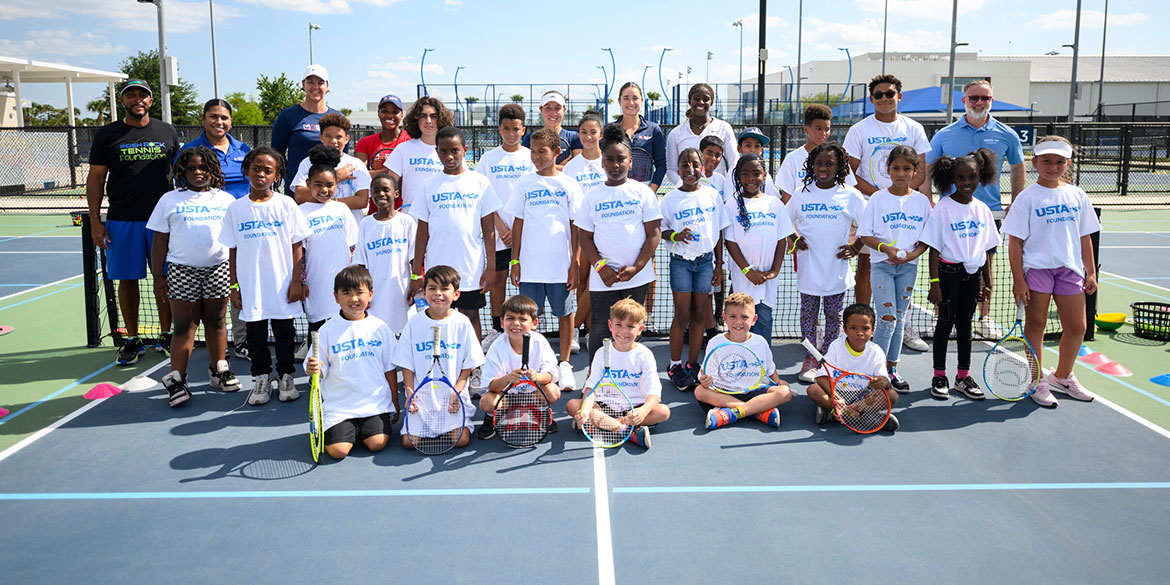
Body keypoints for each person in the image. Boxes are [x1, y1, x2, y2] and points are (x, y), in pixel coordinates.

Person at [1002, 136, 1101, 407]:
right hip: (1037, 270)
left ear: (1068, 164)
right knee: (1036, 325)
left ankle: (1063, 376)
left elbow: (1085, 237)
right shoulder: (1027, 198)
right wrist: (1018, 281)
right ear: (1035, 163)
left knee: (1078, 327)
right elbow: (1015, 242)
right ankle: (1037, 381)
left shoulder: (1077, 195)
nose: (1053, 166)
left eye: (1059, 162)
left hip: (1069, 270)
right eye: (1046, 160)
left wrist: (1090, 272)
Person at [86, 79, 180, 365]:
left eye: (143, 95)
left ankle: (166, 334)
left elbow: (180, 173)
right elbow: (96, 178)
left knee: (164, 278)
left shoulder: (167, 131)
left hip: (162, 222)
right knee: (127, 281)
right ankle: (132, 338)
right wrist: (95, 221)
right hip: (122, 219)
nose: (137, 99)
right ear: (123, 101)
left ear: (151, 101)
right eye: (131, 95)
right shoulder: (107, 135)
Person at [927, 80, 1027, 340]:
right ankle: (940, 318)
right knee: (944, 267)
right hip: (949, 214)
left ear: (992, 101)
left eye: (985, 98)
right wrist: (928, 198)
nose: (979, 103)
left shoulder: (1007, 134)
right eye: (974, 98)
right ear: (964, 101)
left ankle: (984, 318)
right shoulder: (944, 135)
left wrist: (1016, 200)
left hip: (988, 214)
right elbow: (927, 168)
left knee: (986, 268)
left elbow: (1018, 166)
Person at [146, 147, 240, 407]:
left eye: (204, 168)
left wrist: (235, 277)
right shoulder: (169, 200)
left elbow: (234, 243)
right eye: (192, 168)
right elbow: (159, 242)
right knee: (184, 324)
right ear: (182, 172)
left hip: (218, 268)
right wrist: (158, 277)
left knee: (216, 320)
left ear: (214, 170)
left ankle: (219, 370)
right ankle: (178, 379)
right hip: (181, 270)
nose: (198, 173)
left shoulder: (226, 200)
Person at [218, 146, 311, 406]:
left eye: (267, 170)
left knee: (284, 334)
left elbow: (297, 246)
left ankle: (285, 376)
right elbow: (232, 251)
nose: (260, 174)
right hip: (251, 287)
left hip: (283, 286)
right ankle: (260, 378)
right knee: (255, 335)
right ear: (246, 170)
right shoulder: (236, 209)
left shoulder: (286, 205)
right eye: (255, 168)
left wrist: (296, 281)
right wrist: (234, 287)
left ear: (276, 175)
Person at [843, 74, 931, 310]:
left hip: (905, 206)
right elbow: (848, 173)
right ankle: (862, 319)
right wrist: (881, 196)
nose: (884, 98)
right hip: (868, 204)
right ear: (872, 99)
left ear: (899, 96)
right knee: (866, 264)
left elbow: (921, 171)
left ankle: (904, 323)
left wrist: (899, 194)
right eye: (878, 95)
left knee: (903, 264)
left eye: (889, 94)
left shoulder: (914, 128)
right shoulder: (859, 130)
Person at [575, 123, 663, 358]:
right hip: (603, 279)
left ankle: (630, 376)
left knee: (631, 331)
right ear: (602, 162)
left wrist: (637, 267)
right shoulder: (592, 195)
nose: (615, 165)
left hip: (637, 277)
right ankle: (599, 378)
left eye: (620, 159)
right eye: (610, 159)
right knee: (601, 331)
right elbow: (584, 237)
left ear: (630, 161)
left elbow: (654, 233)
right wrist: (601, 267)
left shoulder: (643, 193)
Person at [920, 149, 1001, 401]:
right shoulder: (943, 208)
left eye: (972, 177)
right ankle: (939, 376)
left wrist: (988, 279)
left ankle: (963, 377)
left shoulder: (983, 209)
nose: (967, 183)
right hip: (948, 275)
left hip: (972, 276)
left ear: (981, 177)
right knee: (945, 325)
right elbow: (933, 248)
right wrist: (935, 283)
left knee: (965, 327)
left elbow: (988, 248)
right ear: (952, 179)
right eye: (961, 178)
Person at [506, 128, 583, 391]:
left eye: (543, 151)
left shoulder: (568, 184)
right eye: (534, 151)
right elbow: (518, 223)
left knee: (564, 314)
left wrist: (575, 263)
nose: (537, 157)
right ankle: (534, 364)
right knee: (529, 317)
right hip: (529, 267)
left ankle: (564, 364)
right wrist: (514, 261)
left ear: (556, 152)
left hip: (561, 267)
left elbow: (576, 226)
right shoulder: (524, 183)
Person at [409, 126, 500, 345]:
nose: (449, 156)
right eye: (443, 151)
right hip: (437, 267)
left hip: (470, 268)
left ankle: (475, 369)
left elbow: (488, 230)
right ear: (437, 152)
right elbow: (422, 232)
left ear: (465, 150)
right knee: (438, 319)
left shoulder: (480, 183)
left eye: (455, 151)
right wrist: (416, 273)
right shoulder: (428, 186)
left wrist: (491, 267)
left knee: (470, 318)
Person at [179, 98, 253, 360]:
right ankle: (210, 342)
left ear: (230, 121)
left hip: (243, 227)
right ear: (203, 119)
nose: (219, 122)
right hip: (206, 229)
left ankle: (242, 340)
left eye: (224, 117)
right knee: (213, 290)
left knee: (239, 280)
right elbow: (181, 187)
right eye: (213, 117)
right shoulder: (189, 150)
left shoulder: (243, 149)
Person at [788, 142, 867, 384]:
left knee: (835, 317)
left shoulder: (851, 195)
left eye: (829, 163)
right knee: (808, 318)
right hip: (809, 271)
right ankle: (811, 359)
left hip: (836, 272)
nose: (823, 168)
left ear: (840, 167)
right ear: (811, 165)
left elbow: (868, 225)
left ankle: (830, 361)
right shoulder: (801, 194)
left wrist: (855, 248)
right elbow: (784, 222)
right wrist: (795, 239)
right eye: (819, 163)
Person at [304, 265, 400, 460]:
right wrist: (313, 368)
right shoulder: (326, 330)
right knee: (338, 452)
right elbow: (317, 369)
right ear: (336, 297)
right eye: (346, 293)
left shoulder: (380, 328)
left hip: (374, 403)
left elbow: (390, 369)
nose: (353, 299)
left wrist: (394, 402)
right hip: (340, 406)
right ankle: (342, 427)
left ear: (370, 295)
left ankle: (364, 427)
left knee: (377, 443)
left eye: (359, 293)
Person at [857, 145, 930, 394]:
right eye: (896, 168)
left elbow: (926, 240)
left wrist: (912, 255)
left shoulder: (921, 202)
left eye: (907, 169)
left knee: (899, 320)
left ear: (915, 171)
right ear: (887, 170)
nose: (901, 173)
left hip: (909, 268)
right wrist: (886, 250)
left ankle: (891, 369)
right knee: (887, 320)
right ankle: (874, 373)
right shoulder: (878, 199)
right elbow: (865, 235)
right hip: (882, 267)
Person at [393, 265, 485, 451]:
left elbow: (467, 366)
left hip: (452, 395)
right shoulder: (414, 323)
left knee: (461, 440)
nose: (438, 294)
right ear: (424, 293)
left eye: (444, 289)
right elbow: (406, 364)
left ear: (456, 294)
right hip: (422, 398)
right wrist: (410, 392)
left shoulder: (462, 323)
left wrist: (457, 391)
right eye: (432, 288)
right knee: (409, 443)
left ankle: (451, 423)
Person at [660, 148, 728, 389]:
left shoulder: (712, 195)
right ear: (677, 170)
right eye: (684, 165)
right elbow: (662, 231)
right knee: (683, 314)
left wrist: (719, 264)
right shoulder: (669, 199)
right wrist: (676, 235)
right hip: (681, 262)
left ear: (703, 168)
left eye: (695, 165)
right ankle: (675, 365)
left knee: (700, 313)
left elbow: (719, 231)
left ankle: (692, 364)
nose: (690, 170)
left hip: (705, 262)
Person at [566, 299, 669, 449]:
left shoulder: (644, 354)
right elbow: (591, 388)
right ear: (610, 325)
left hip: (633, 409)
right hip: (603, 405)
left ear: (640, 329)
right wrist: (586, 411)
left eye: (630, 326)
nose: (623, 331)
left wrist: (643, 411)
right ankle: (625, 431)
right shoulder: (602, 352)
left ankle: (602, 424)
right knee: (573, 405)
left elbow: (654, 392)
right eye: (618, 325)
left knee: (663, 412)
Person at [476, 103, 535, 352]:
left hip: (527, 233)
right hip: (499, 234)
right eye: (506, 129)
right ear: (500, 129)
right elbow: (483, 195)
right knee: (498, 279)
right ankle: (498, 330)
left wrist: (519, 230)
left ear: (524, 130)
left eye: (516, 129)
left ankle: (530, 328)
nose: (511, 133)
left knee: (528, 280)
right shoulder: (488, 159)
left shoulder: (532, 157)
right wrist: (500, 226)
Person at [724, 155, 797, 350]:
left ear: (764, 176)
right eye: (745, 174)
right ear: (738, 177)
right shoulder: (731, 205)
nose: (750, 179)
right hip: (743, 278)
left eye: (756, 174)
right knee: (741, 322)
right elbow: (730, 242)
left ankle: (762, 368)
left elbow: (782, 239)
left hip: (767, 281)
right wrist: (747, 270)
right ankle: (741, 363)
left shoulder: (775, 204)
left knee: (763, 318)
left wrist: (774, 271)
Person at [695, 293, 793, 430]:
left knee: (785, 392)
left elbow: (770, 369)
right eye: (732, 316)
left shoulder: (760, 342)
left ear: (754, 319)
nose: (738, 322)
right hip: (725, 392)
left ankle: (730, 413)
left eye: (745, 317)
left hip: (754, 390)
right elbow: (705, 374)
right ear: (724, 318)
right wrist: (704, 381)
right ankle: (757, 411)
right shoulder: (715, 342)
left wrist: (778, 382)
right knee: (700, 391)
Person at [475, 295, 562, 440]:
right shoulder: (496, 347)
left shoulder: (541, 342)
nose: (516, 323)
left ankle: (541, 410)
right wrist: (508, 379)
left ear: (534, 323)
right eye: (510, 318)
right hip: (506, 396)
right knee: (487, 402)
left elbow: (551, 375)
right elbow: (491, 386)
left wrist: (538, 377)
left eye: (522, 319)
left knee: (553, 391)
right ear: (502, 322)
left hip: (533, 393)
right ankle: (492, 418)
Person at [297, 146, 360, 339]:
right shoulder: (301, 211)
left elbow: (353, 246)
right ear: (308, 184)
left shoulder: (341, 209)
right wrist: (302, 282)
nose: (324, 190)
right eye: (318, 185)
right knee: (316, 327)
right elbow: (300, 252)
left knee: (343, 322)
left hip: (342, 281)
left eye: (330, 185)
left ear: (336, 185)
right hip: (315, 282)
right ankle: (316, 365)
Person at [808, 304, 900, 432]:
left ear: (873, 329)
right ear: (845, 330)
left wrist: (882, 381)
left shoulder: (876, 351)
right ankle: (862, 417)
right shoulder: (836, 346)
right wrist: (835, 397)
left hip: (862, 398)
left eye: (865, 328)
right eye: (853, 328)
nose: (859, 333)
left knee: (893, 396)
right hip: (837, 394)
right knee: (813, 390)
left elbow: (885, 382)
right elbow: (821, 378)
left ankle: (838, 413)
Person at [563, 109, 607, 355]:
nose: (588, 137)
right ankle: (579, 332)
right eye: (583, 133)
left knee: (596, 283)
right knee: (581, 281)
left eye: (593, 132)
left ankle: (580, 327)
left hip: (606, 231)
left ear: (600, 134)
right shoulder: (572, 167)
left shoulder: (608, 160)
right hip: (581, 230)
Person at [352, 175, 416, 335]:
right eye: (376, 191)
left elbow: (415, 258)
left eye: (385, 190)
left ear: (396, 193)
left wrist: (415, 282)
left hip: (402, 292)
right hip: (376, 292)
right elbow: (361, 263)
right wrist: (363, 291)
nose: (381, 194)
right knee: (376, 333)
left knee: (404, 334)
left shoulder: (407, 222)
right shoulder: (366, 224)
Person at [271, 65, 343, 196]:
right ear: (303, 84)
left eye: (320, 83)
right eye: (310, 82)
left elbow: (342, 156)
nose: (315, 87)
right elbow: (276, 154)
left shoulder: (337, 118)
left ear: (327, 86)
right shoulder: (287, 116)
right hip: (298, 188)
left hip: (329, 187)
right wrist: (291, 174)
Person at [291, 112, 371, 224]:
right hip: (316, 227)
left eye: (339, 137)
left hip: (347, 230)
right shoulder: (308, 163)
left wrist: (330, 202)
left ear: (347, 139)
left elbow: (362, 201)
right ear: (321, 137)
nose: (333, 141)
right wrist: (336, 176)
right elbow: (299, 195)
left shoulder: (355, 164)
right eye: (328, 136)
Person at [776, 104, 855, 205]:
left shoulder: (838, 157)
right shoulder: (792, 159)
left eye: (827, 129)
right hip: (802, 219)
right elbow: (787, 198)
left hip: (832, 216)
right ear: (806, 129)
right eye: (818, 129)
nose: (824, 133)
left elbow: (850, 191)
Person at [386, 96, 453, 214]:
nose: (428, 121)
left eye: (433, 116)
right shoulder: (403, 149)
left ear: (441, 119)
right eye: (423, 116)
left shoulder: (451, 151)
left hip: (442, 217)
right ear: (416, 119)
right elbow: (389, 185)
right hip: (411, 218)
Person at [665, 83, 738, 187]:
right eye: (697, 98)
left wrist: (726, 187)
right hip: (688, 194)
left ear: (711, 102)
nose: (701, 102)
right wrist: (688, 185)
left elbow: (734, 163)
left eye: (706, 99)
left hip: (717, 192)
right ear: (689, 101)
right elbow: (671, 170)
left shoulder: (724, 128)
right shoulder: (676, 133)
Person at [354, 94, 411, 213]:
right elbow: (360, 176)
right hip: (375, 211)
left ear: (401, 115)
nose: (390, 115)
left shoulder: (410, 141)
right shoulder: (364, 142)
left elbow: (411, 177)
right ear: (378, 113)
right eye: (385, 111)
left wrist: (376, 175)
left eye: (395, 111)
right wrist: (394, 171)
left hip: (404, 210)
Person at [615, 82, 667, 192]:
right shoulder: (609, 130)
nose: (631, 102)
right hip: (617, 190)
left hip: (645, 190)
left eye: (635, 98)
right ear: (619, 101)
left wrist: (650, 192)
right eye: (626, 98)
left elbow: (661, 166)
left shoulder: (654, 130)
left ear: (642, 101)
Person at [521, 90, 582, 168]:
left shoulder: (574, 137)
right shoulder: (530, 138)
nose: (553, 113)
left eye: (557, 108)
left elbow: (577, 168)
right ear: (541, 109)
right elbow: (527, 167)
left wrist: (543, 167)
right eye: (548, 108)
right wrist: (560, 167)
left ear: (564, 110)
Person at [735, 127, 783, 199]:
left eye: (757, 146)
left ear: (761, 150)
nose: (753, 149)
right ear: (739, 149)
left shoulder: (766, 176)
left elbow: (773, 199)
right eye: (748, 145)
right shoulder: (733, 173)